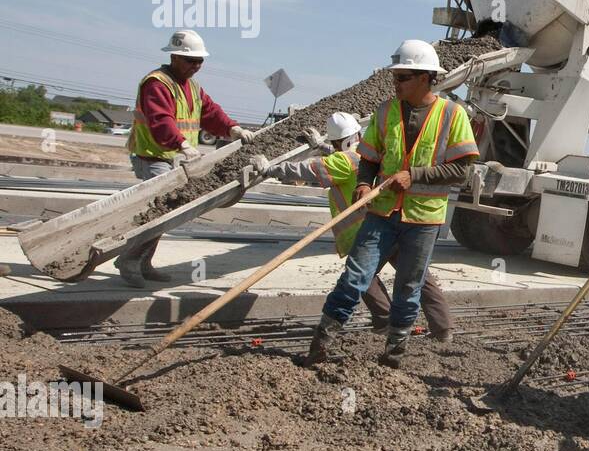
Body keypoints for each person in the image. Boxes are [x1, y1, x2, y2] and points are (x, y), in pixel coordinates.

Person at [304, 40, 478, 368]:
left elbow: (463, 170)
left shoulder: (453, 115)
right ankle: (321, 344)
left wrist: (415, 176)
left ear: (425, 78)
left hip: (423, 219)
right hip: (381, 212)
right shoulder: (385, 112)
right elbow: (368, 158)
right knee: (355, 276)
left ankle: (394, 354)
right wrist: (364, 183)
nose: (395, 84)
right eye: (395, 78)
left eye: (403, 78)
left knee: (409, 287)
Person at [251, 111, 453, 343]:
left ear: (338, 141)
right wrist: (322, 145)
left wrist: (270, 169)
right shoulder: (373, 154)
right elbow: (347, 157)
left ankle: (385, 319)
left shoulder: (342, 161)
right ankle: (443, 328)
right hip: (397, 222)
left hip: (368, 231)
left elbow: (309, 170)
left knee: (361, 277)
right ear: (357, 133)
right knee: (417, 275)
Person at [120, 29, 254, 286]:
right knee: (162, 212)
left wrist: (231, 128)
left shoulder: (191, 86)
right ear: (175, 57)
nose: (197, 66)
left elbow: (210, 112)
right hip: (154, 156)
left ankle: (143, 262)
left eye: (200, 61)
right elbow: (161, 120)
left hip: (177, 158)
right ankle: (128, 259)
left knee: (168, 212)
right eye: (191, 61)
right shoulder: (157, 83)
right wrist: (182, 144)